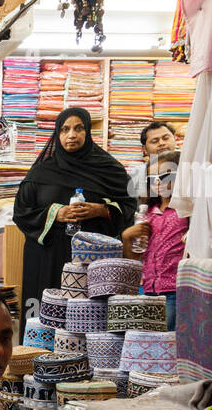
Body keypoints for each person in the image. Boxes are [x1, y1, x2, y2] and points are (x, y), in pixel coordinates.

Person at [12, 106, 133, 320]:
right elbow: (21, 212)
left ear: (87, 132)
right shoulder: (41, 172)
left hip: (91, 260)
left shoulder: (109, 169)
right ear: (58, 134)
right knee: (45, 316)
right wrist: (55, 214)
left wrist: (102, 211)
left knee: (88, 319)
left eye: (79, 128)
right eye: (65, 129)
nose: (72, 135)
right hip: (47, 257)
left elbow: (129, 208)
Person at [122, 150, 186, 330]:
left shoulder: (184, 211)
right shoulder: (148, 214)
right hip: (149, 290)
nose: (158, 182)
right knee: (152, 341)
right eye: (152, 177)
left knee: (169, 340)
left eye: (165, 175)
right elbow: (135, 260)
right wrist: (127, 237)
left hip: (175, 289)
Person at [126, 121, 178, 199]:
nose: (161, 143)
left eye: (166, 138)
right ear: (144, 149)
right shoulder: (136, 174)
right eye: (154, 141)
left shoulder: (188, 168)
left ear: (175, 139)